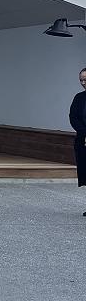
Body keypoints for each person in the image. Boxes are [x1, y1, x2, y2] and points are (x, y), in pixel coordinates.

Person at [69, 68, 86, 214]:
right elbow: (73, 117)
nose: (83, 82)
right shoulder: (79, 98)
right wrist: (83, 131)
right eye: (81, 79)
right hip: (83, 140)